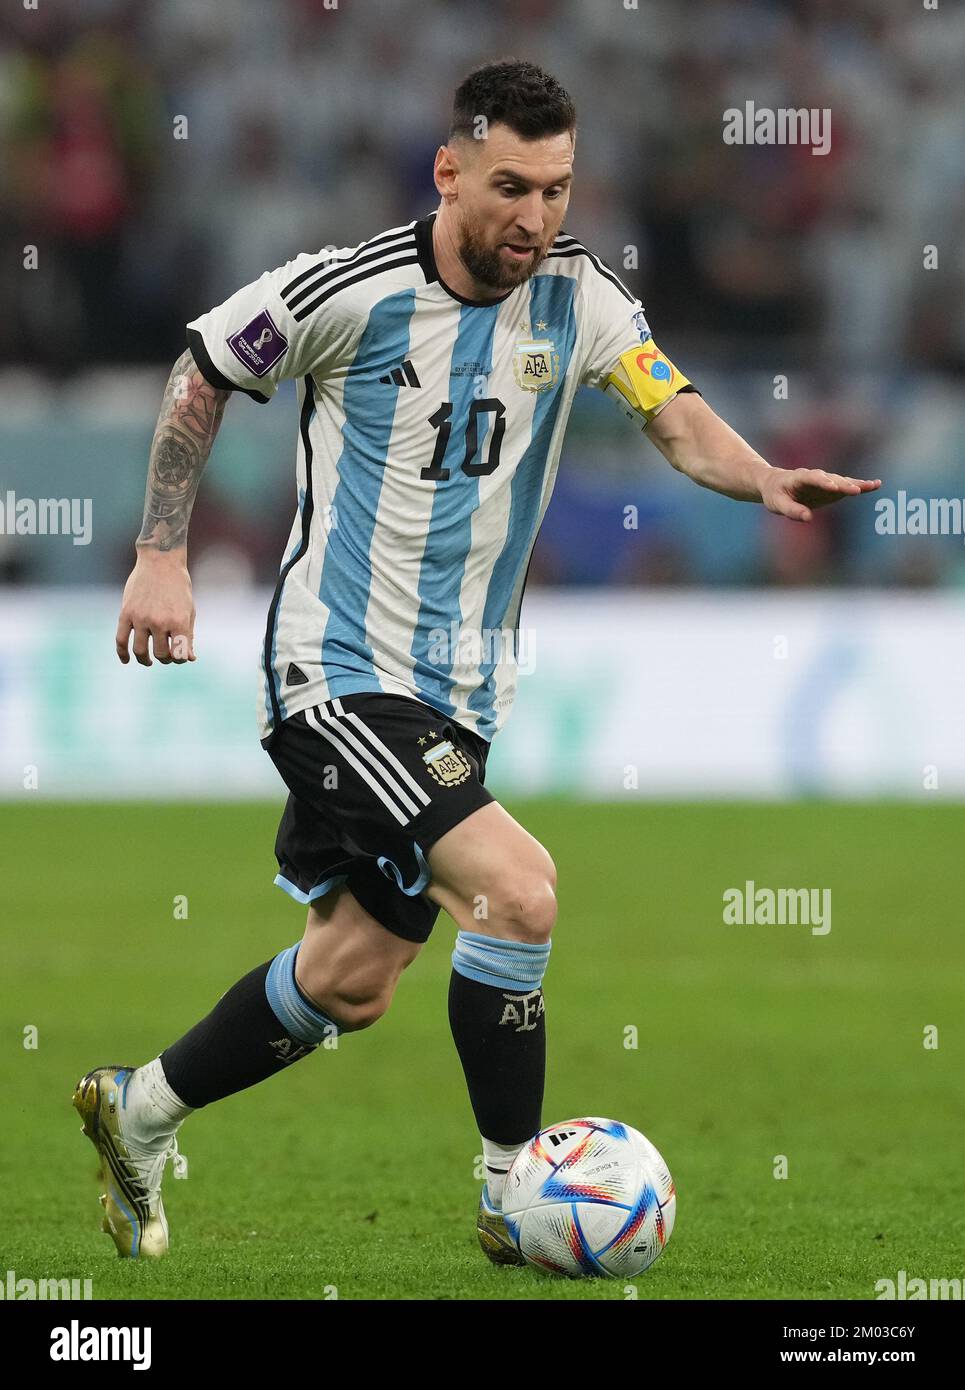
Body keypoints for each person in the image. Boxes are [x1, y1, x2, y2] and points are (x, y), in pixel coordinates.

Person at [76, 59, 880, 1264]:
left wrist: (756, 471)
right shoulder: (347, 291)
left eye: (557, 188)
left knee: (353, 976)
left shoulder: (582, 297)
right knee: (520, 890)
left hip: (459, 695)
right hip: (336, 676)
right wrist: (159, 552)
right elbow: (206, 369)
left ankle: (137, 1110)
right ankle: (513, 1191)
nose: (536, 216)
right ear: (449, 171)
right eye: (511, 185)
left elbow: (671, 410)